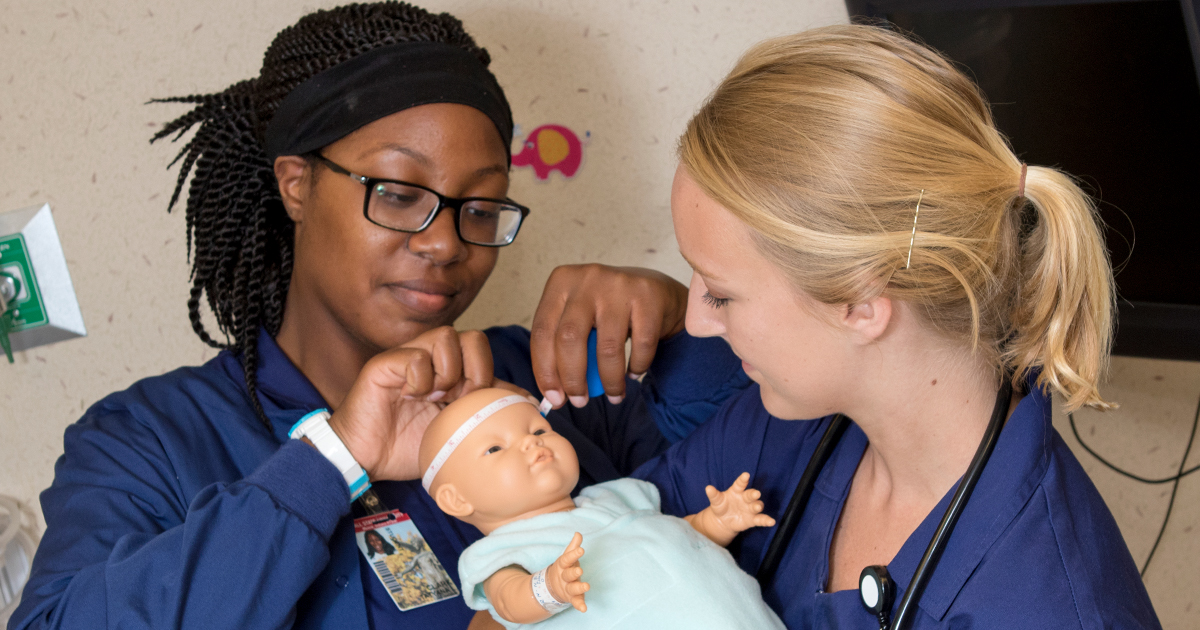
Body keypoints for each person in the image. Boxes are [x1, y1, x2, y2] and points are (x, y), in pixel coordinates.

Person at [8, 4, 748, 630]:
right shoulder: (150, 440)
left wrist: (697, 318)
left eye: (480, 207)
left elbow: (745, 485)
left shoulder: (538, 386)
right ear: (296, 185)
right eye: (397, 192)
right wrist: (331, 461)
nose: (444, 242)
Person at [634, 25, 1162, 628]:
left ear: (860, 301)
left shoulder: (1047, 607)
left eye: (721, 294)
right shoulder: (781, 424)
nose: (697, 320)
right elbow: (604, 540)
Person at [419, 388, 784, 629]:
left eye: (539, 431)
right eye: (495, 448)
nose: (531, 444)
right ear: (457, 500)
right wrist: (549, 588)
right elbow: (508, 602)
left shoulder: (617, 497)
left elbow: (673, 540)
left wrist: (716, 522)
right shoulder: (499, 553)